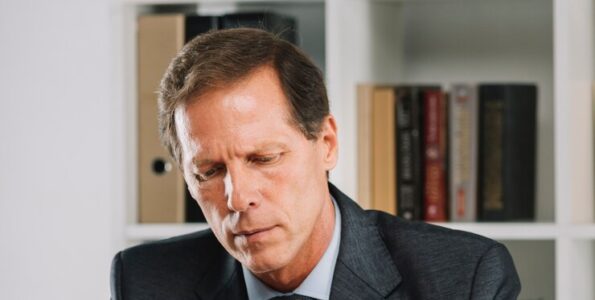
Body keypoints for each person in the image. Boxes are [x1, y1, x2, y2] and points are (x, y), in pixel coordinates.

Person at [110, 28, 520, 300]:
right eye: (210, 172)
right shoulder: (146, 282)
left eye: (263, 158)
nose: (238, 198)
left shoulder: (465, 280)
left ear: (326, 143)